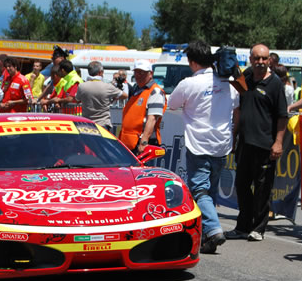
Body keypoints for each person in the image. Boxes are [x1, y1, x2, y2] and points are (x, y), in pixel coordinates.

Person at [167, 41, 240, 254]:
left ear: (192, 62)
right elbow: (236, 106)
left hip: (199, 144)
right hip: (222, 144)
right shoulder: (227, 83)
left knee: (199, 190)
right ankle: (206, 236)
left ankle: (214, 229)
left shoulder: (189, 83)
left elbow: (171, 104)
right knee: (210, 191)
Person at [227, 44, 288, 242]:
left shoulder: (275, 84)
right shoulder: (247, 78)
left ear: (270, 60)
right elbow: (234, 84)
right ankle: (242, 226)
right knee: (242, 185)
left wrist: (278, 142)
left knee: (262, 188)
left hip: (265, 145)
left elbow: (282, 116)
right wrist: (234, 136)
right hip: (245, 143)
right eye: (256, 59)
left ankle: (258, 228)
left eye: (264, 59)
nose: (260, 63)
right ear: (251, 59)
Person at [119, 59, 166, 153]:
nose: (138, 75)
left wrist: (143, 142)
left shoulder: (155, 91)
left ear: (151, 74)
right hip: (129, 142)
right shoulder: (137, 89)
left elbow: (152, 119)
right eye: (136, 72)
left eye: (142, 72)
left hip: (141, 143)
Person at [75, 60, 127, 132]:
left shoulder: (82, 86)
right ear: (100, 72)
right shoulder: (107, 87)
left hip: (87, 123)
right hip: (103, 123)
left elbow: (77, 99)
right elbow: (124, 95)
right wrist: (114, 98)